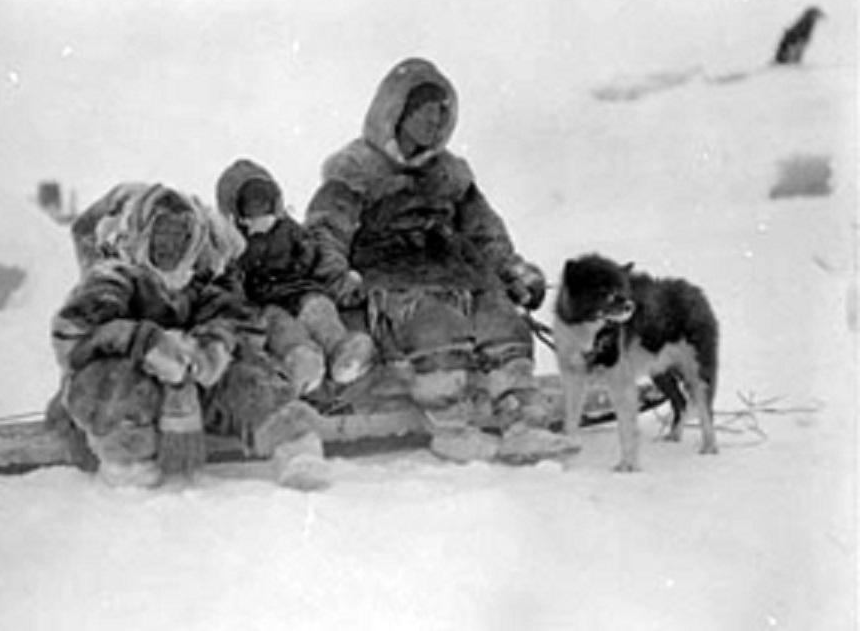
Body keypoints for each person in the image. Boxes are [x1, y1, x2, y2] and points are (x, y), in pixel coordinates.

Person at [304, 57, 550, 462]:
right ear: (396, 112)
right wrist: (337, 277)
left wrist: (511, 269)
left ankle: (523, 419)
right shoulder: (356, 170)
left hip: (461, 271)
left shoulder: (451, 175)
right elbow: (324, 231)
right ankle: (452, 427)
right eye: (426, 110)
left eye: (443, 112)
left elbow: (484, 230)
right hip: (394, 278)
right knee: (437, 325)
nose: (437, 121)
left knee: (502, 320)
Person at [49, 183, 329, 489]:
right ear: (141, 234)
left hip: (192, 384)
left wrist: (210, 346)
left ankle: (295, 445)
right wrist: (145, 343)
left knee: (247, 374)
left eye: (180, 237)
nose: (170, 247)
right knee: (113, 379)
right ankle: (127, 461)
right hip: (132, 387)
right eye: (161, 236)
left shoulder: (198, 281)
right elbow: (73, 334)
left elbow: (241, 323)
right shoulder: (113, 279)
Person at [215, 158, 376, 397]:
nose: (260, 207)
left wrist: (310, 268)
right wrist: (242, 302)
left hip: (301, 289)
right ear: (236, 210)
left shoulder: (288, 229)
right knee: (282, 328)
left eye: (264, 199)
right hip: (266, 301)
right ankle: (302, 360)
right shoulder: (234, 243)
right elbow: (231, 277)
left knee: (320, 310)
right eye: (251, 202)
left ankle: (341, 351)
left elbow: (310, 250)